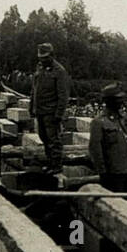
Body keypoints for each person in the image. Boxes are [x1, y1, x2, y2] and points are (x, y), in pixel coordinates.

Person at [88, 84, 127, 191]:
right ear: (109, 101)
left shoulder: (124, 119)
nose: (122, 102)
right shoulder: (99, 122)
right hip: (114, 173)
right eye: (118, 99)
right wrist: (102, 173)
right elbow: (95, 150)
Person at [29, 42, 70, 174]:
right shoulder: (40, 68)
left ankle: (56, 166)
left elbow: (63, 95)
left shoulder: (59, 71)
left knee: (54, 141)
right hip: (40, 110)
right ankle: (50, 163)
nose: (42, 60)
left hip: (51, 112)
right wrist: (32, 107)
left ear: (51, 56)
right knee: (44, 138)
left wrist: (58, 115)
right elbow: (34, 89)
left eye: (45, 57)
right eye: (40, 57)